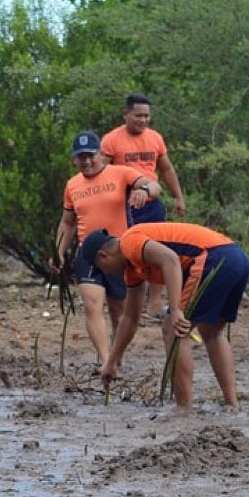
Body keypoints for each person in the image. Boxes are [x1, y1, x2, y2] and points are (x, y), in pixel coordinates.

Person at [81, 222, 249, 412]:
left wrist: (176, 309)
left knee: (172, 329)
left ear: (103, 256)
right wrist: (111, 362)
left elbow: (170, 259)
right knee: (211, 332)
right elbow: (130, 318)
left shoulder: (129, 242)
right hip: (237, 258)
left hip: (215, 257)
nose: (106, 273)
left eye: (101, 268)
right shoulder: (132, 270)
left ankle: (184, 409)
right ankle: (232, 405)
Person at [55, 131, 161, 364]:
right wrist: (59, 251)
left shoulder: (121, 173)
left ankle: (116, 357)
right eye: (81, 157)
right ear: (74, 159)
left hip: (118, 252)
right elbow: (68, 222)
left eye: (91, 156)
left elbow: (154, 186)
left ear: (102, 154)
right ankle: (104, 360)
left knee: (118, 311)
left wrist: (143, 191)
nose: (87, 162)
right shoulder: (72, 185)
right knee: (92, 305)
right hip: (88, 253)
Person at [100, 94, 187, 319]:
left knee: (159, 248)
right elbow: (100, 173)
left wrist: (178, 197)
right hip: (125, 203)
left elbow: (166, 169)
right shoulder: (111, 140)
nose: (143, 120)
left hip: (151, 199)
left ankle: (155, 302)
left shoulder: (155, 138)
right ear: (126, 115)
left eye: (147, 116)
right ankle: (130, 301)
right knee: (127, 251)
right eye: (138, 115)